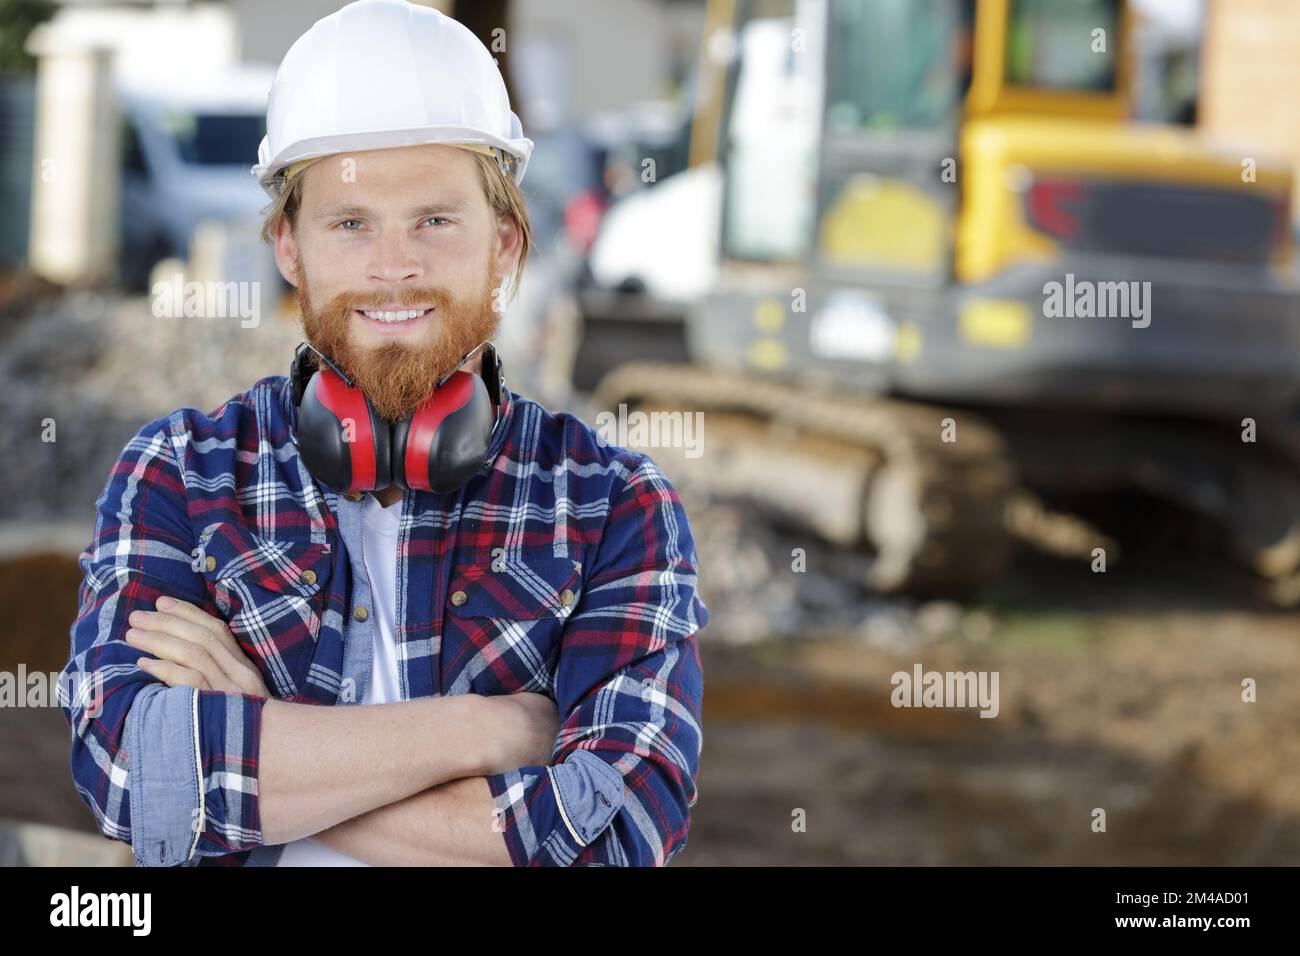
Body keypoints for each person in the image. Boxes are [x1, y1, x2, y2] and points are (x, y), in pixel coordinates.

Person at [60, 0, 707, 867]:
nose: (394, 265)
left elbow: (614, 837)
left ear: (506, 246)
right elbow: (136, 780)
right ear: (289, 246)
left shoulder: (614, 506)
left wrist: (271, 741)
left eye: (436, 220)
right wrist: (486, 731)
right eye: (351, 222)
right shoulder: (179, 475)